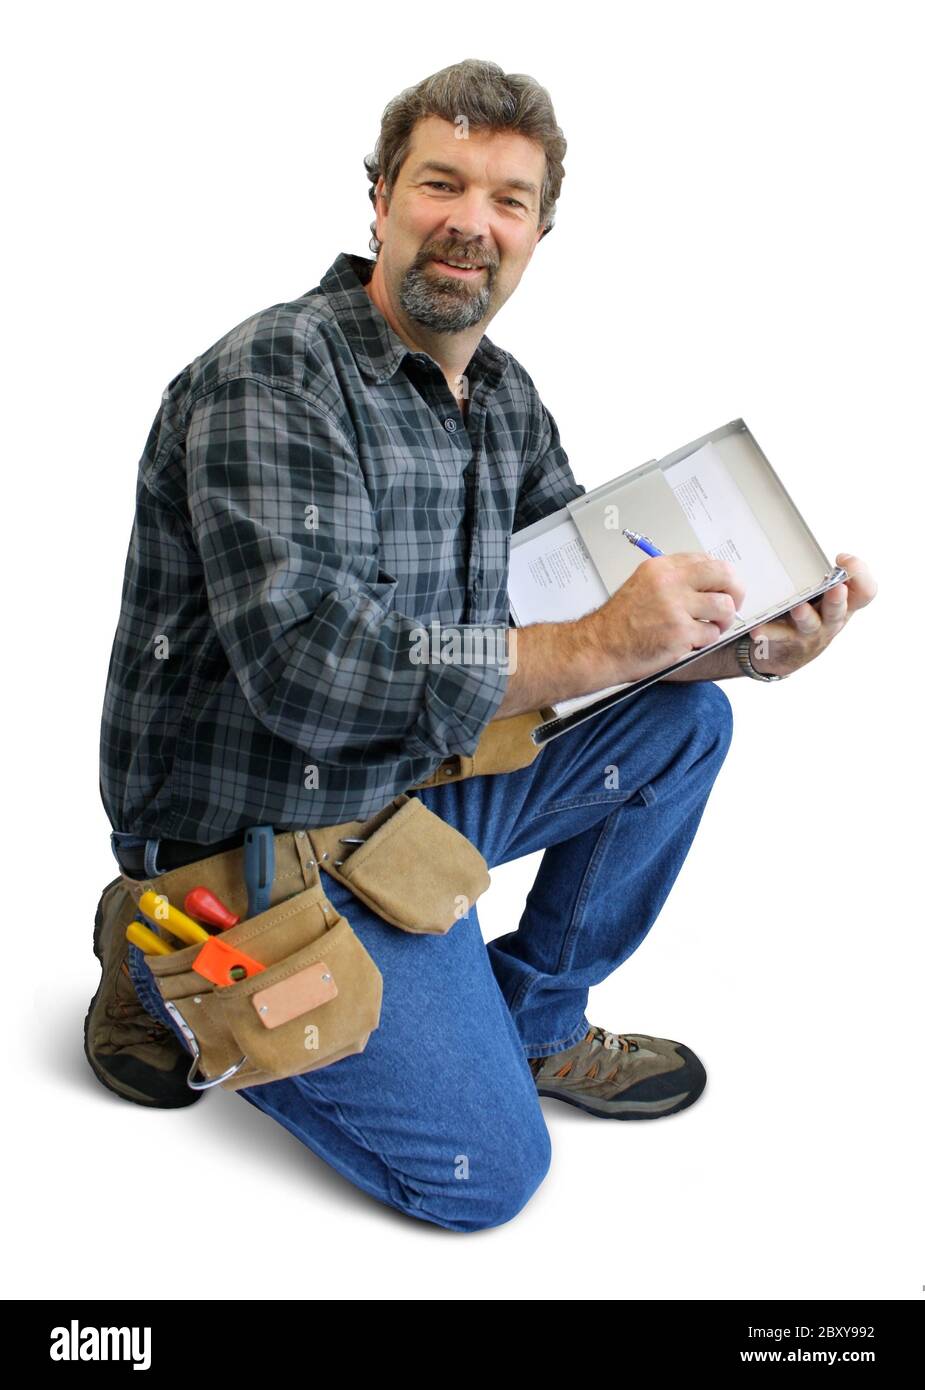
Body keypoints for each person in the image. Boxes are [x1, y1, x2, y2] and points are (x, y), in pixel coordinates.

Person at [85, 58, 876, 1232]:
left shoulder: (503, 399)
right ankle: (167, 965)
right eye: (440, 184)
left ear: (538, 232)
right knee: (485, 1177)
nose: (471, 222)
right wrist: (604, 637)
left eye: (507, 199)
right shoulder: (275, 376)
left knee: (682, 721)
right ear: (379, 202)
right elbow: (311, 668)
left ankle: (530, 1023)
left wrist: (740, 649)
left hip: (403, 792)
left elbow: (586, 630)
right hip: (255, 837)